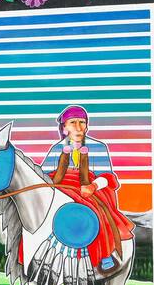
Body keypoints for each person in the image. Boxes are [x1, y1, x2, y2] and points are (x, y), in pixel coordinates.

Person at [41, 105, 135, 273]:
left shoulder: (98, 147)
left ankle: (104, 253)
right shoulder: (56, 150)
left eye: (82, 122)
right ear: (64, 128)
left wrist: (93, 186)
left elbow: (107, 177)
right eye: (73, 122)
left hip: (91, 191)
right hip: (63, 189)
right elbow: (46, 177)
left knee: (98, 211)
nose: (78, 127)